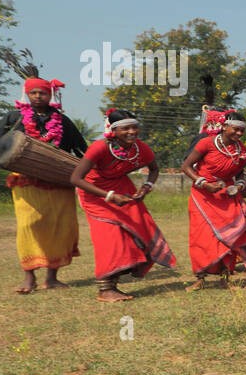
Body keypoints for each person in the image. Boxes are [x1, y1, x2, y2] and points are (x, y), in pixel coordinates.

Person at [0, 76, 88, 293]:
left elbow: (81, 150)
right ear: (26, 94)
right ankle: (29, 277)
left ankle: (52, 278)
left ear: (50, 94)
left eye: (42, 93)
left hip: (59, 181)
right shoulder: (14, 117)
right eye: (33, 93)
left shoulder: (62, 120)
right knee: (28, 224)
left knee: (59, 226)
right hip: (25, 180)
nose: (37, 96)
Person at [69, 108, 177, 301]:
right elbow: (76, 179)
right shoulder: (99, 147)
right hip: (95, 193)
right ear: (113, 130)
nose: (132, 132)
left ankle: (115, 285)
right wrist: (110, 196)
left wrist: (146, 187)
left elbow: (154, 169)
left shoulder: (140, 148)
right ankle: (105, 289)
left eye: (135, 127)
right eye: (126, 128)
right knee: (109, 238)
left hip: (123, 190)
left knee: (133, 233)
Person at [180, 110, 246, 290]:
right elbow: (186, 166)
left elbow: (240, 175)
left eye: (242, 131)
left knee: (228, 239)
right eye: (235, 129)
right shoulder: (206, 144)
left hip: (226, 198)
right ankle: (200, 279)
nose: (239, 134)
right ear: (224, 127)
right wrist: (204, 184)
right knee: (201, 238)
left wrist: (239, 185)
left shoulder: (243, 152)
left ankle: (226, 279)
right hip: (202, 197)